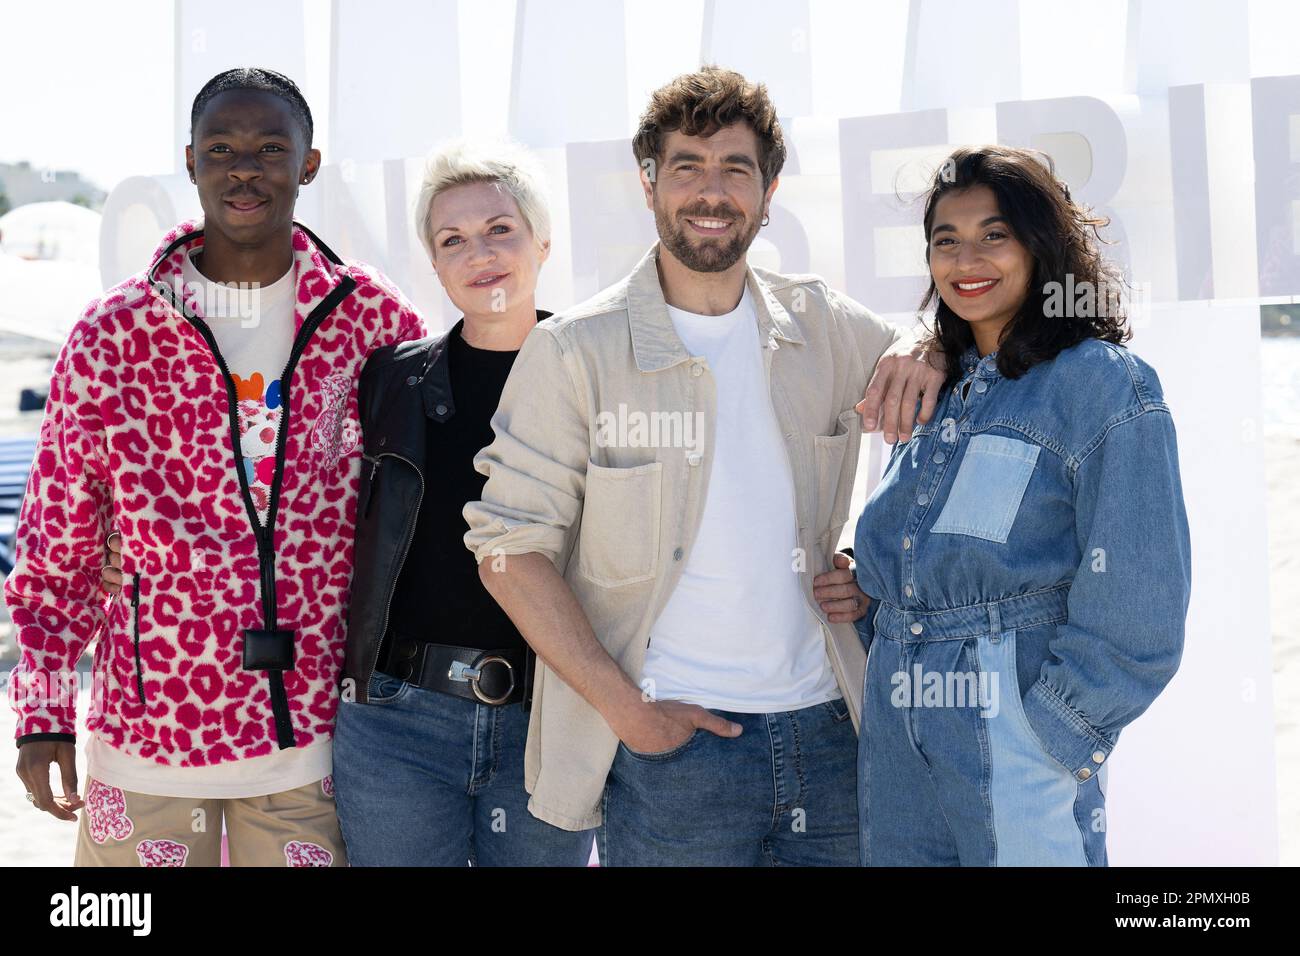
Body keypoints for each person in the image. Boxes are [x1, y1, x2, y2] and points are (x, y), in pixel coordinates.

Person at [463, 66, 946, 865]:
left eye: (736, 169)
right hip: (673, 757)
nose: (711, 192)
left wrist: (877, 563)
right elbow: (509, 552)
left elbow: (949, 381)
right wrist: (630, 714)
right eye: (687, 166)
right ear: (648, 182)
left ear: (770, 188)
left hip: (832, 735)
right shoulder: (574, 352)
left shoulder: (824, 326)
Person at [16, 67, 426, 867]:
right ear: (192, 163)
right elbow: (56, 536)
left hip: (313, 740)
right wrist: (42, 715)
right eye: (222, 149)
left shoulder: (373, 319)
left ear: (309, 164)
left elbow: (414, 509)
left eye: (271, 148)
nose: (245, 168)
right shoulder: (115, 331)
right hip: (147, 739)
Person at [851, 145, 1191, 866]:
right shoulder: (936, 389)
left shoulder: (1101, 383)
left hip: (1012, 734)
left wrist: (1049, 738)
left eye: (994, 235)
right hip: (898, 738)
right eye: (946, 240)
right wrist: (861, 588)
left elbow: (1141, 598)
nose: (966, 258)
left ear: (1043, 245)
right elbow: (930, 564)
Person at [330, 140, 596, 865]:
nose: (480, 253)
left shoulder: (601, 378)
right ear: (436, 264)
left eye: (499, 229)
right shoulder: (389, 380)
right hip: (397, 725)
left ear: (542, 241)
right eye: (453, 240)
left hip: (550, 721)